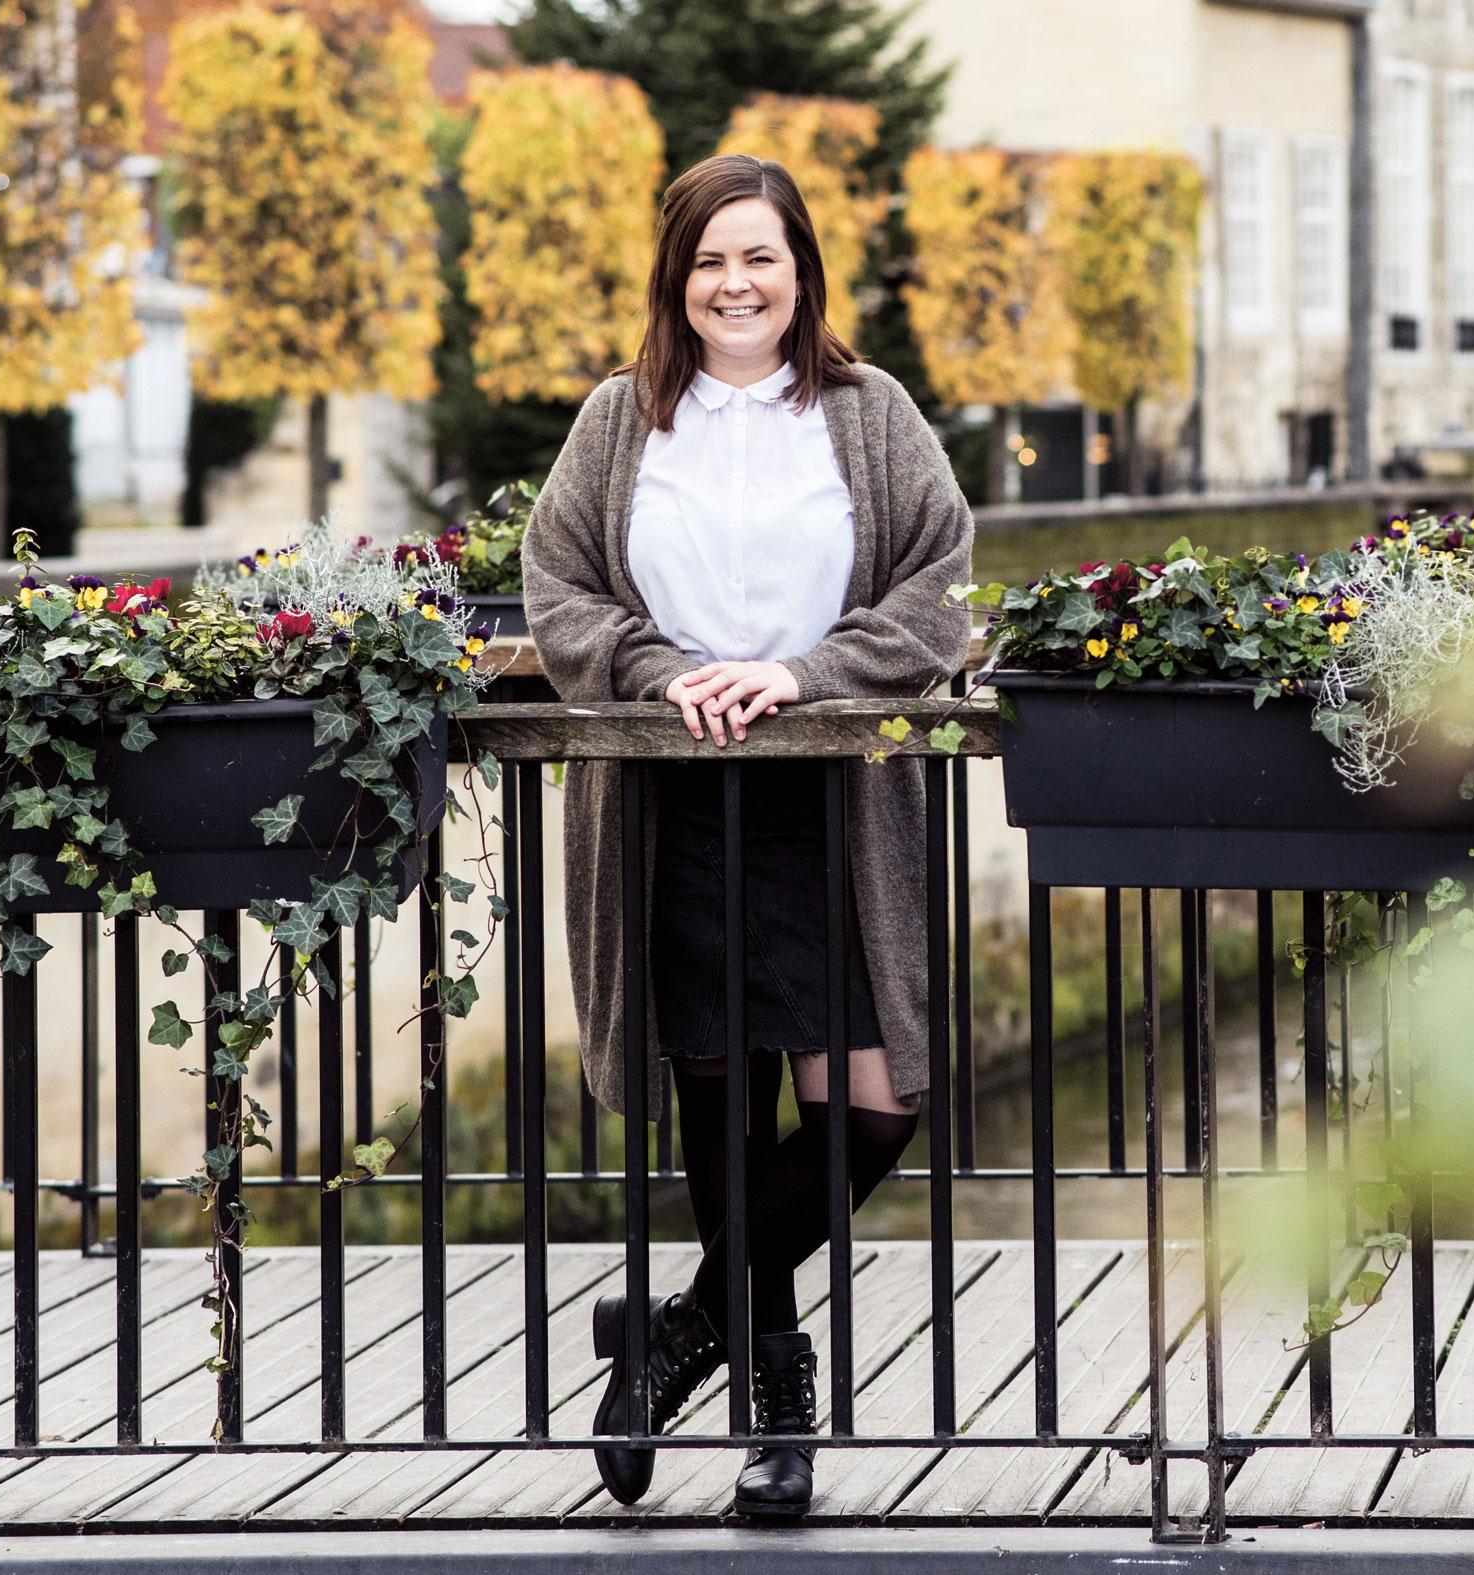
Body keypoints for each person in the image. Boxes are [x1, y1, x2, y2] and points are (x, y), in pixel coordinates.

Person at [520, 152, 973, 1522]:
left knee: (873, 1104)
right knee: (723, 1106)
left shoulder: (868, 413)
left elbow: (937, 592)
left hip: (832, 800)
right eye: (711, 260)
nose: (736, 283)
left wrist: (804, 673)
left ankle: (679, 1336)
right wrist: (666, 672)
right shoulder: (620, 421)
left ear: (800, 271)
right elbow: (557, 589)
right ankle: (781, 1408)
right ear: (679, 279)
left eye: (760, 257)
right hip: (672, 799)